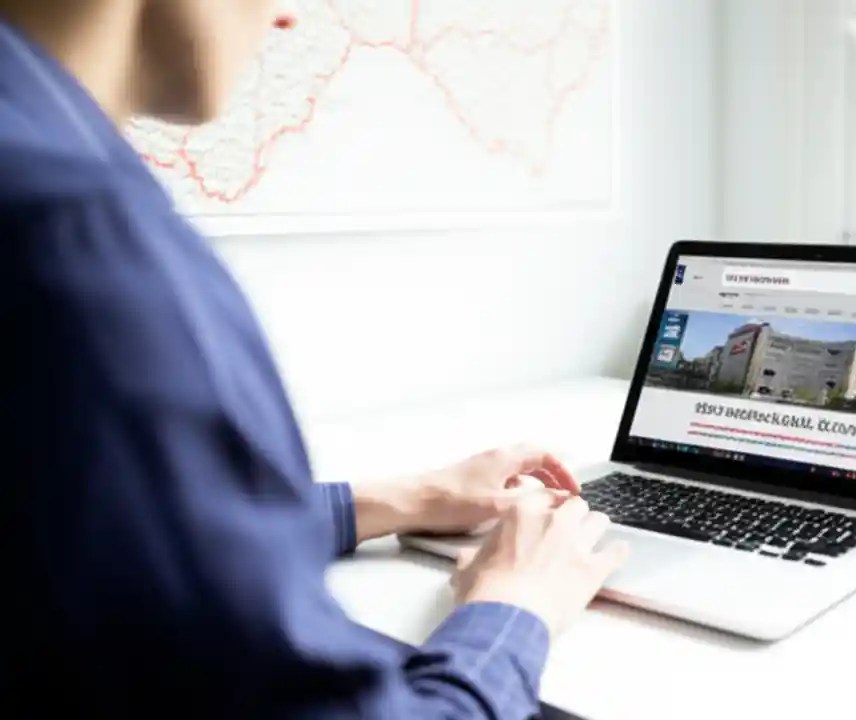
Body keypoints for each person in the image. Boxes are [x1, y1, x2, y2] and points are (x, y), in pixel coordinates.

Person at [0, 0, 627, 717]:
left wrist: (406, 498)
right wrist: (516, 605)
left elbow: (88, 529)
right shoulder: (80, 249)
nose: (286, 15)